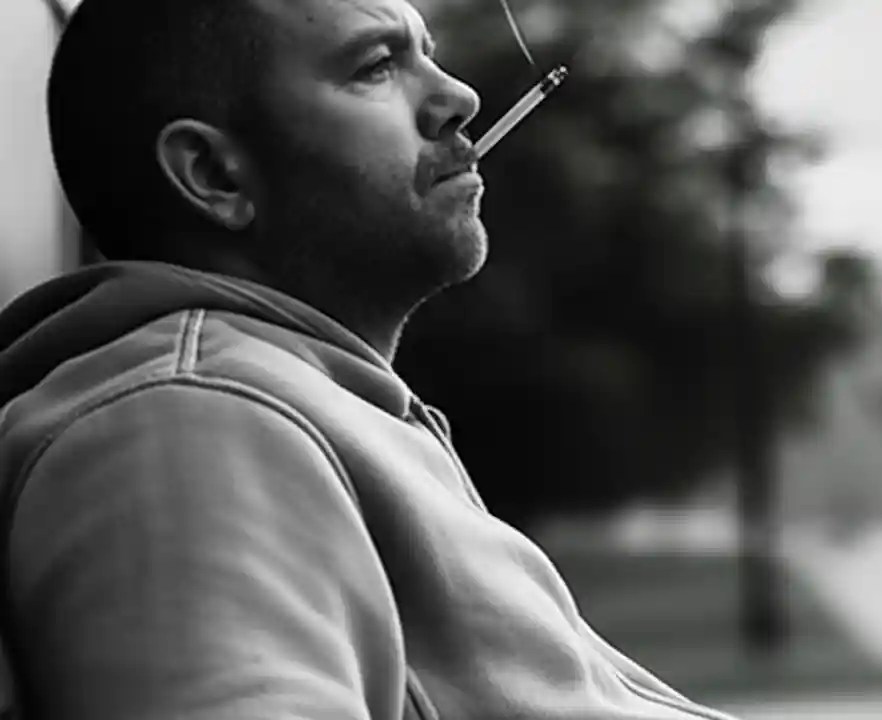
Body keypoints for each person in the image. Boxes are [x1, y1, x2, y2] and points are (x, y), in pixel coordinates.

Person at [0, 0, 740, 718]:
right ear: (215, 176)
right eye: (377, 66)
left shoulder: (291, 411)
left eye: (429, 52)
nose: (459, 97)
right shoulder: (183, 428)